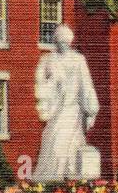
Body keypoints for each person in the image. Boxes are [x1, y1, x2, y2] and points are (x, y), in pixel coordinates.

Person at [33, 24, 100, 181]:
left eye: (66, 42)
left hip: (73, 110)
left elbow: (86, 85)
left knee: (71, 144)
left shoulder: (78, 60)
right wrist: (44, 105)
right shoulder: (48, 59)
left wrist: (91, 112)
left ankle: (68, 179)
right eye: (60, 41)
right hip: (57, 110)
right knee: (52, 140)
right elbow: (40, 83)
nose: (63, 44)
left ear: (70, 42)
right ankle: (51, 179)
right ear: (55, 41)